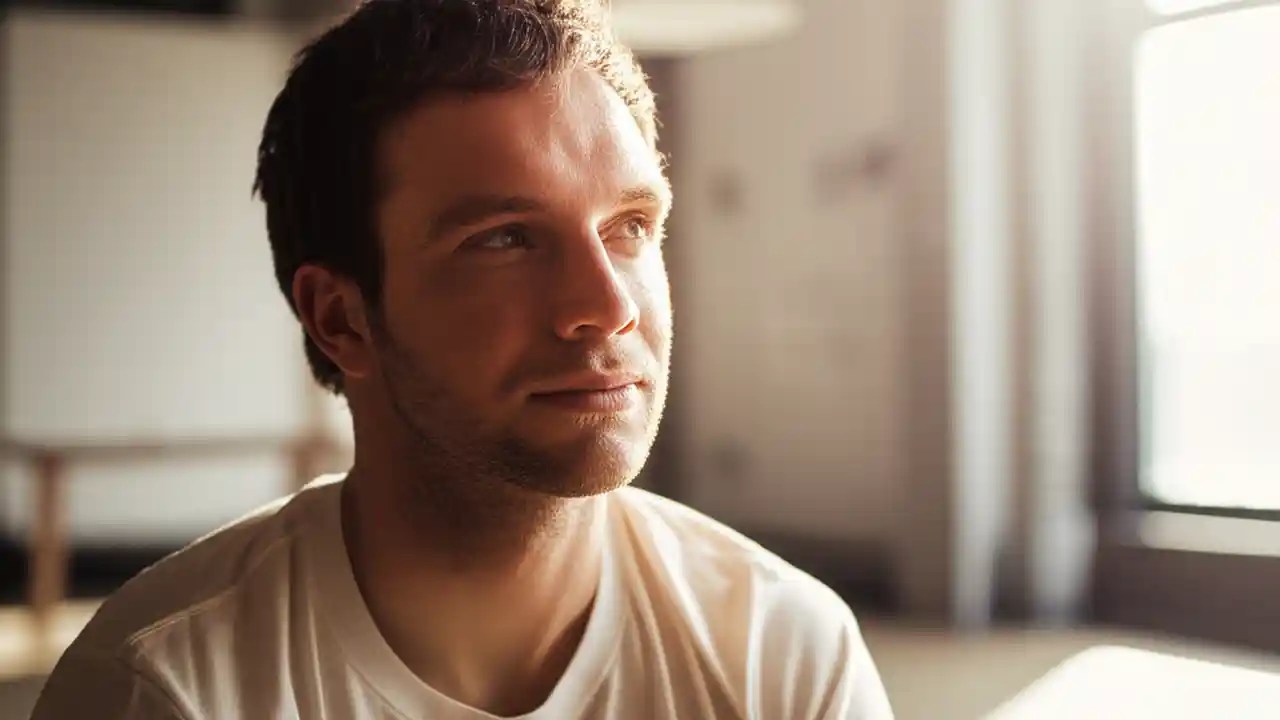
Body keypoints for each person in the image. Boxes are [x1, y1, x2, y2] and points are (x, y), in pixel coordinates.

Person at [32, 1, 893, 718]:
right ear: (340, 319)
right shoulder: (165, 689)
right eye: (506, 239)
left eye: (629, 227)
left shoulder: (782, 655)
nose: (608, 306)